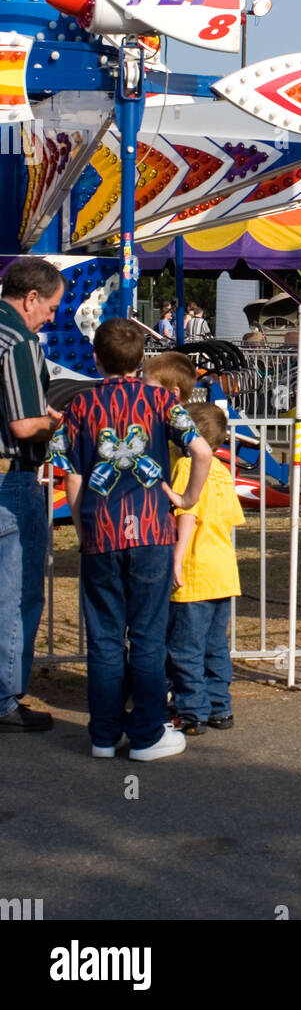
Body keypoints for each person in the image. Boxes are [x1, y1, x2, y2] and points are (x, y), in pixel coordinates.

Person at [51, 318, 212, 761]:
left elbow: (73, 474)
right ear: (142, 359)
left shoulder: (80, 407)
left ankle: (103, 735)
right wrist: (186, 497)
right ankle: (145, 736)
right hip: (151, 529)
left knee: (104, 638)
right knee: (147, 635)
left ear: (96, 358)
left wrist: (84, 529)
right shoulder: (161, 400)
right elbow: (201, 450)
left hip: (101, 528)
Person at [0, 257, 66, 732]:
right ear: (30, 299)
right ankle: (4, 698)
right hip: (10, 479)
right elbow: (24, 425)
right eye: (51, 307)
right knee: (15, 594)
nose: (52, 317)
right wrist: (56, 422)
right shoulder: (20, 341)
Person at [167, 403, 245, 734]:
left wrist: (176, 558)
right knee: (215, 646)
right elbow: (232, 518)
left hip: (194, 568)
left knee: (186, 647)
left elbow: (187, 511)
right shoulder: (222, 470)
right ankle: (219, 707)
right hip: (223, 570)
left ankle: (191, 710)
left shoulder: (187, 466)